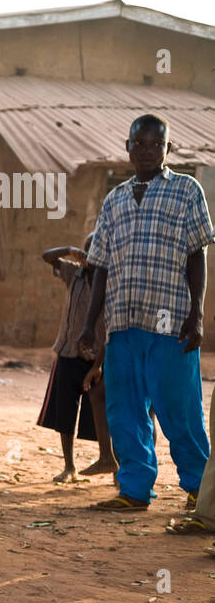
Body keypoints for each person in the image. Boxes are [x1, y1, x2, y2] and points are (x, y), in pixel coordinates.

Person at [81, 114, 214, 512]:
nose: (146, 151)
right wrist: (90, 324)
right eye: (139, 144)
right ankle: (134, 489)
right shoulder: (115, 199)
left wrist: (198, 315)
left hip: (170, 321)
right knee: (125, 410)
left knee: (180, 411)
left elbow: (198, 254)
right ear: (128, 147)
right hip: (122, 323)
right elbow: (100, 265)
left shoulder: (187, 190)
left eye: (155, 145)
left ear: (167, 149)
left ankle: (200, 492)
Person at [37, 236, 114, 482]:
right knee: (64, 413)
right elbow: (47, 256)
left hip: (99, 358)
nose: (93, 256)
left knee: (107, 414)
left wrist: (99, 363)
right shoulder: (74, 273)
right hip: (68, 352)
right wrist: (69, 250)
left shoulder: (113, 281)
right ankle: (69, 466)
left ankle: (114, 466)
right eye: (89, 251)